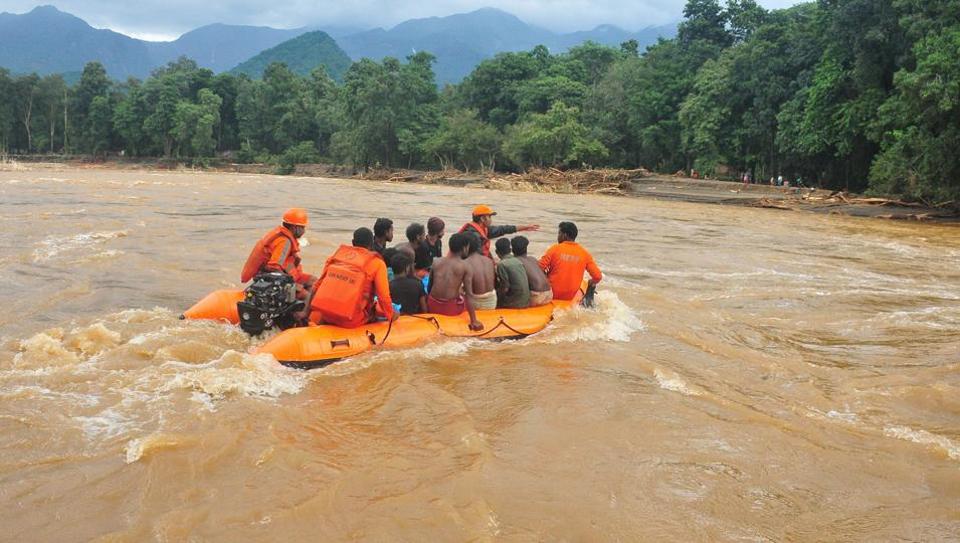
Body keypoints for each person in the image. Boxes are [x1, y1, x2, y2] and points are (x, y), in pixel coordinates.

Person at [306, 227, 395, 327]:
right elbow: (383, 297)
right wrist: (391, 316)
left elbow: (316, 287)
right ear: (371, 244)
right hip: (352, 320)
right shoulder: (377, 263)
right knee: (376, 311)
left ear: (353, 242)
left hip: (326, 315)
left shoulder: (335, 258)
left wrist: (306, 315)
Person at [240, 207, 316, 293]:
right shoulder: (284, 242)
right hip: (268, 279)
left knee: (314, 281)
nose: (304, 231)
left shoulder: (284, 236)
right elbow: (273, 268)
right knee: (304, 294)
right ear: (295, 227)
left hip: (280, 275)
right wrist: (293, 285)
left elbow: (286, 264)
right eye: (302, 228)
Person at [426, 233, 483, 331]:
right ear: (465, 248)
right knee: (464, 298)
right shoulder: (466, 266)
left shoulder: (436, 261)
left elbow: (429, 287)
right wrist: (474, 321)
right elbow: (469, 295)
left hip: (432, 304)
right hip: (449, 309)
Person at [539, 221, 602, 301]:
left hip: (552, 293)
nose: (558, 236)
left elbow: (539, 268)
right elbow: (598, 276)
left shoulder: (555, 249)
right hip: (570, 296)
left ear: (564, 235)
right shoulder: (584, 253)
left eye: (559, 234)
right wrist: (591, 282)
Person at [459, 205, 539, 258]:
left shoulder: (484, 230)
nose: (491, 219)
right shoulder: (473, 235)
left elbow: (503, 229)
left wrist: (525, 227)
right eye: (489, 216)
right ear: (483, 219)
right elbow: (476, 257)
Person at [511, 235, 553, 306]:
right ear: (526, 248)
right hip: (549, 294)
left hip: (537, 297)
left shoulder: (516, 262)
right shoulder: (533, 259)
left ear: (512, 249)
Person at [494, 238, 530, 309]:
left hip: (516, 303)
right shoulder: (518, 261)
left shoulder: (501, 264)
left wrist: (497, 296)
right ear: (510, 250)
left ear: (496, 251)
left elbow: (505, 287)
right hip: (526, 301)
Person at [464, 233, 497, 310]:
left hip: (475, 303)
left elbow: (467, 292)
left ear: (467, 246)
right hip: (492, 302)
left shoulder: (465, 263)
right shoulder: (489, 261)